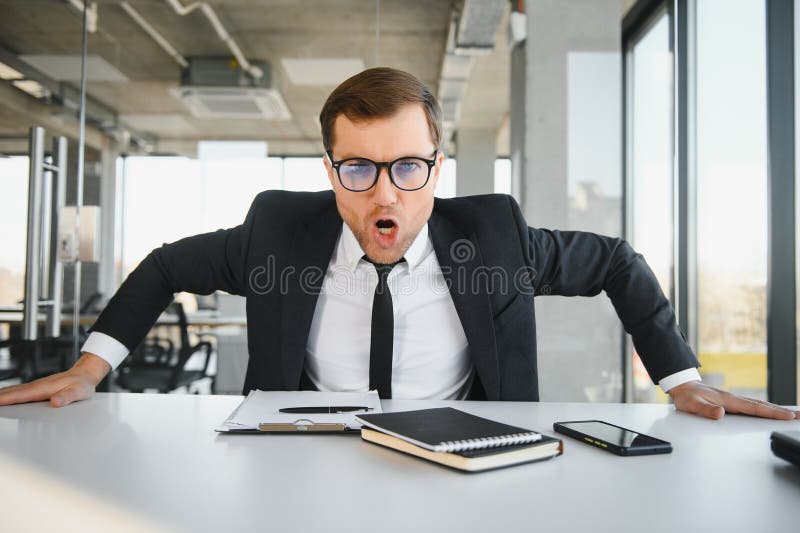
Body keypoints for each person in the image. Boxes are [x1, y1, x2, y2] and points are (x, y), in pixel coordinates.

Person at [0, 67, 795, 421]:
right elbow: (169, 262)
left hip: (464, 464)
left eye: (408, 166)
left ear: (436, 166)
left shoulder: (495, 237)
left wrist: (680, 377)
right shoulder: (279, 228)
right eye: (360, 167)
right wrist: (89, 364)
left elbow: (617, 262)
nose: (385, 192)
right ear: (330, 169)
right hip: (303, 465)